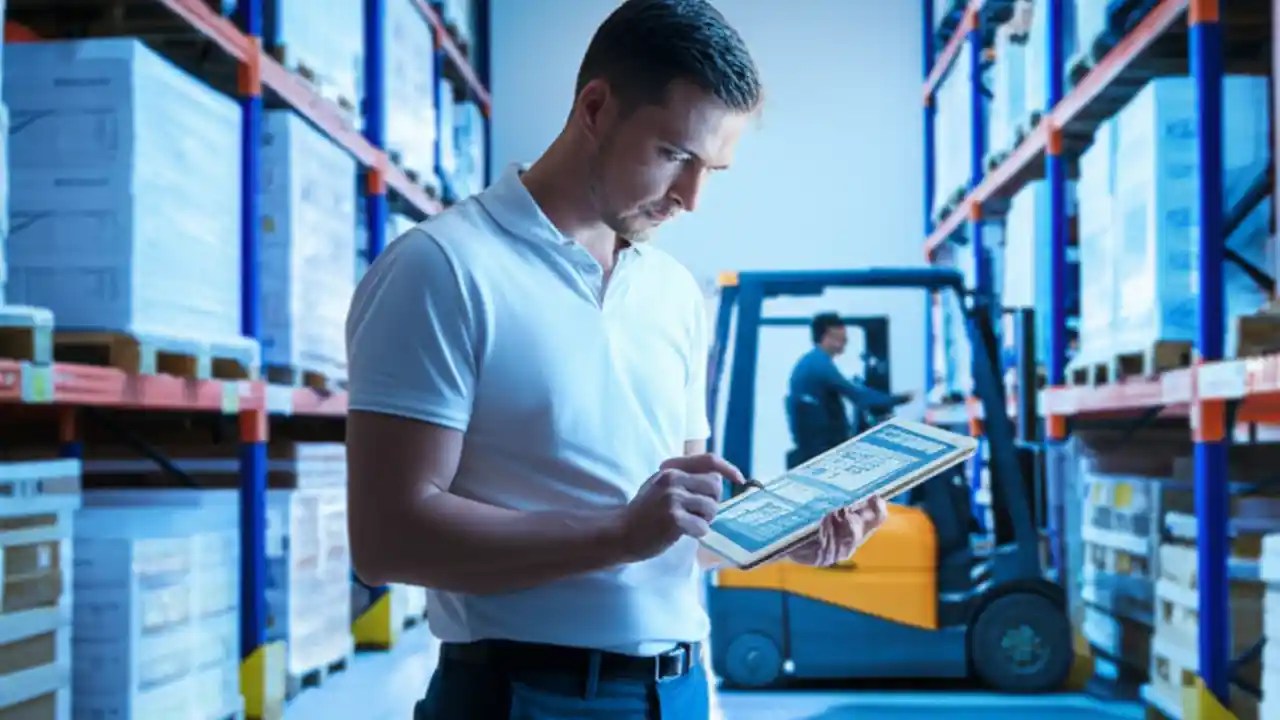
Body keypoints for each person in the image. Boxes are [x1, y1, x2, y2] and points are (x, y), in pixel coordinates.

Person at [343, 1, 888, 718]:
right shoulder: (442, 268)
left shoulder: (672, 293)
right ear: (595, 108)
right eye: (675, 156)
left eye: (713, 169)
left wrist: (780, 538)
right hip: (528, 696)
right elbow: (389, 538)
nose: (692, 199)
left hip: (681, 691)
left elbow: (674, 535)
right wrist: (619, 533)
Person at [786, 313, 913, 467]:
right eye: (842, 339)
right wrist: (898, 399)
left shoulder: (810, 362)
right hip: (822, 449)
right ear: (827, 336)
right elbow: (857, 396)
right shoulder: (820, 365)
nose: (845, 343)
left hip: (813, 445)